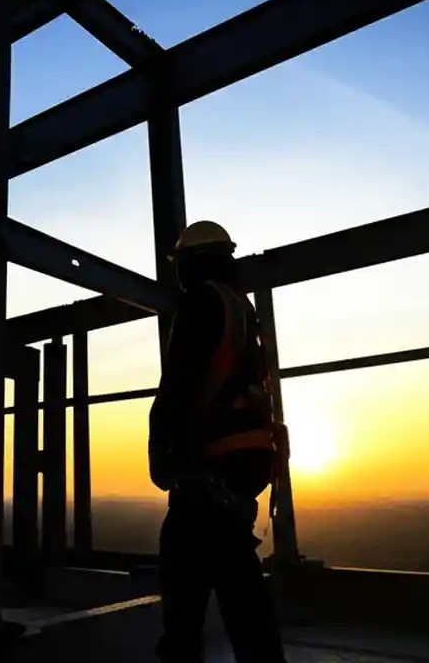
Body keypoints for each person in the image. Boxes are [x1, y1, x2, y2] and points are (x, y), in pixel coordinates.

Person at [149, 221, 289, 663]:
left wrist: (161, 447)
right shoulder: (243, 310)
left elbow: (180, 382)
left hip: (210, 465)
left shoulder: (202, 303)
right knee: (235, 575)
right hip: (246, 460)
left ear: (191, 262)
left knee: (186, 577)